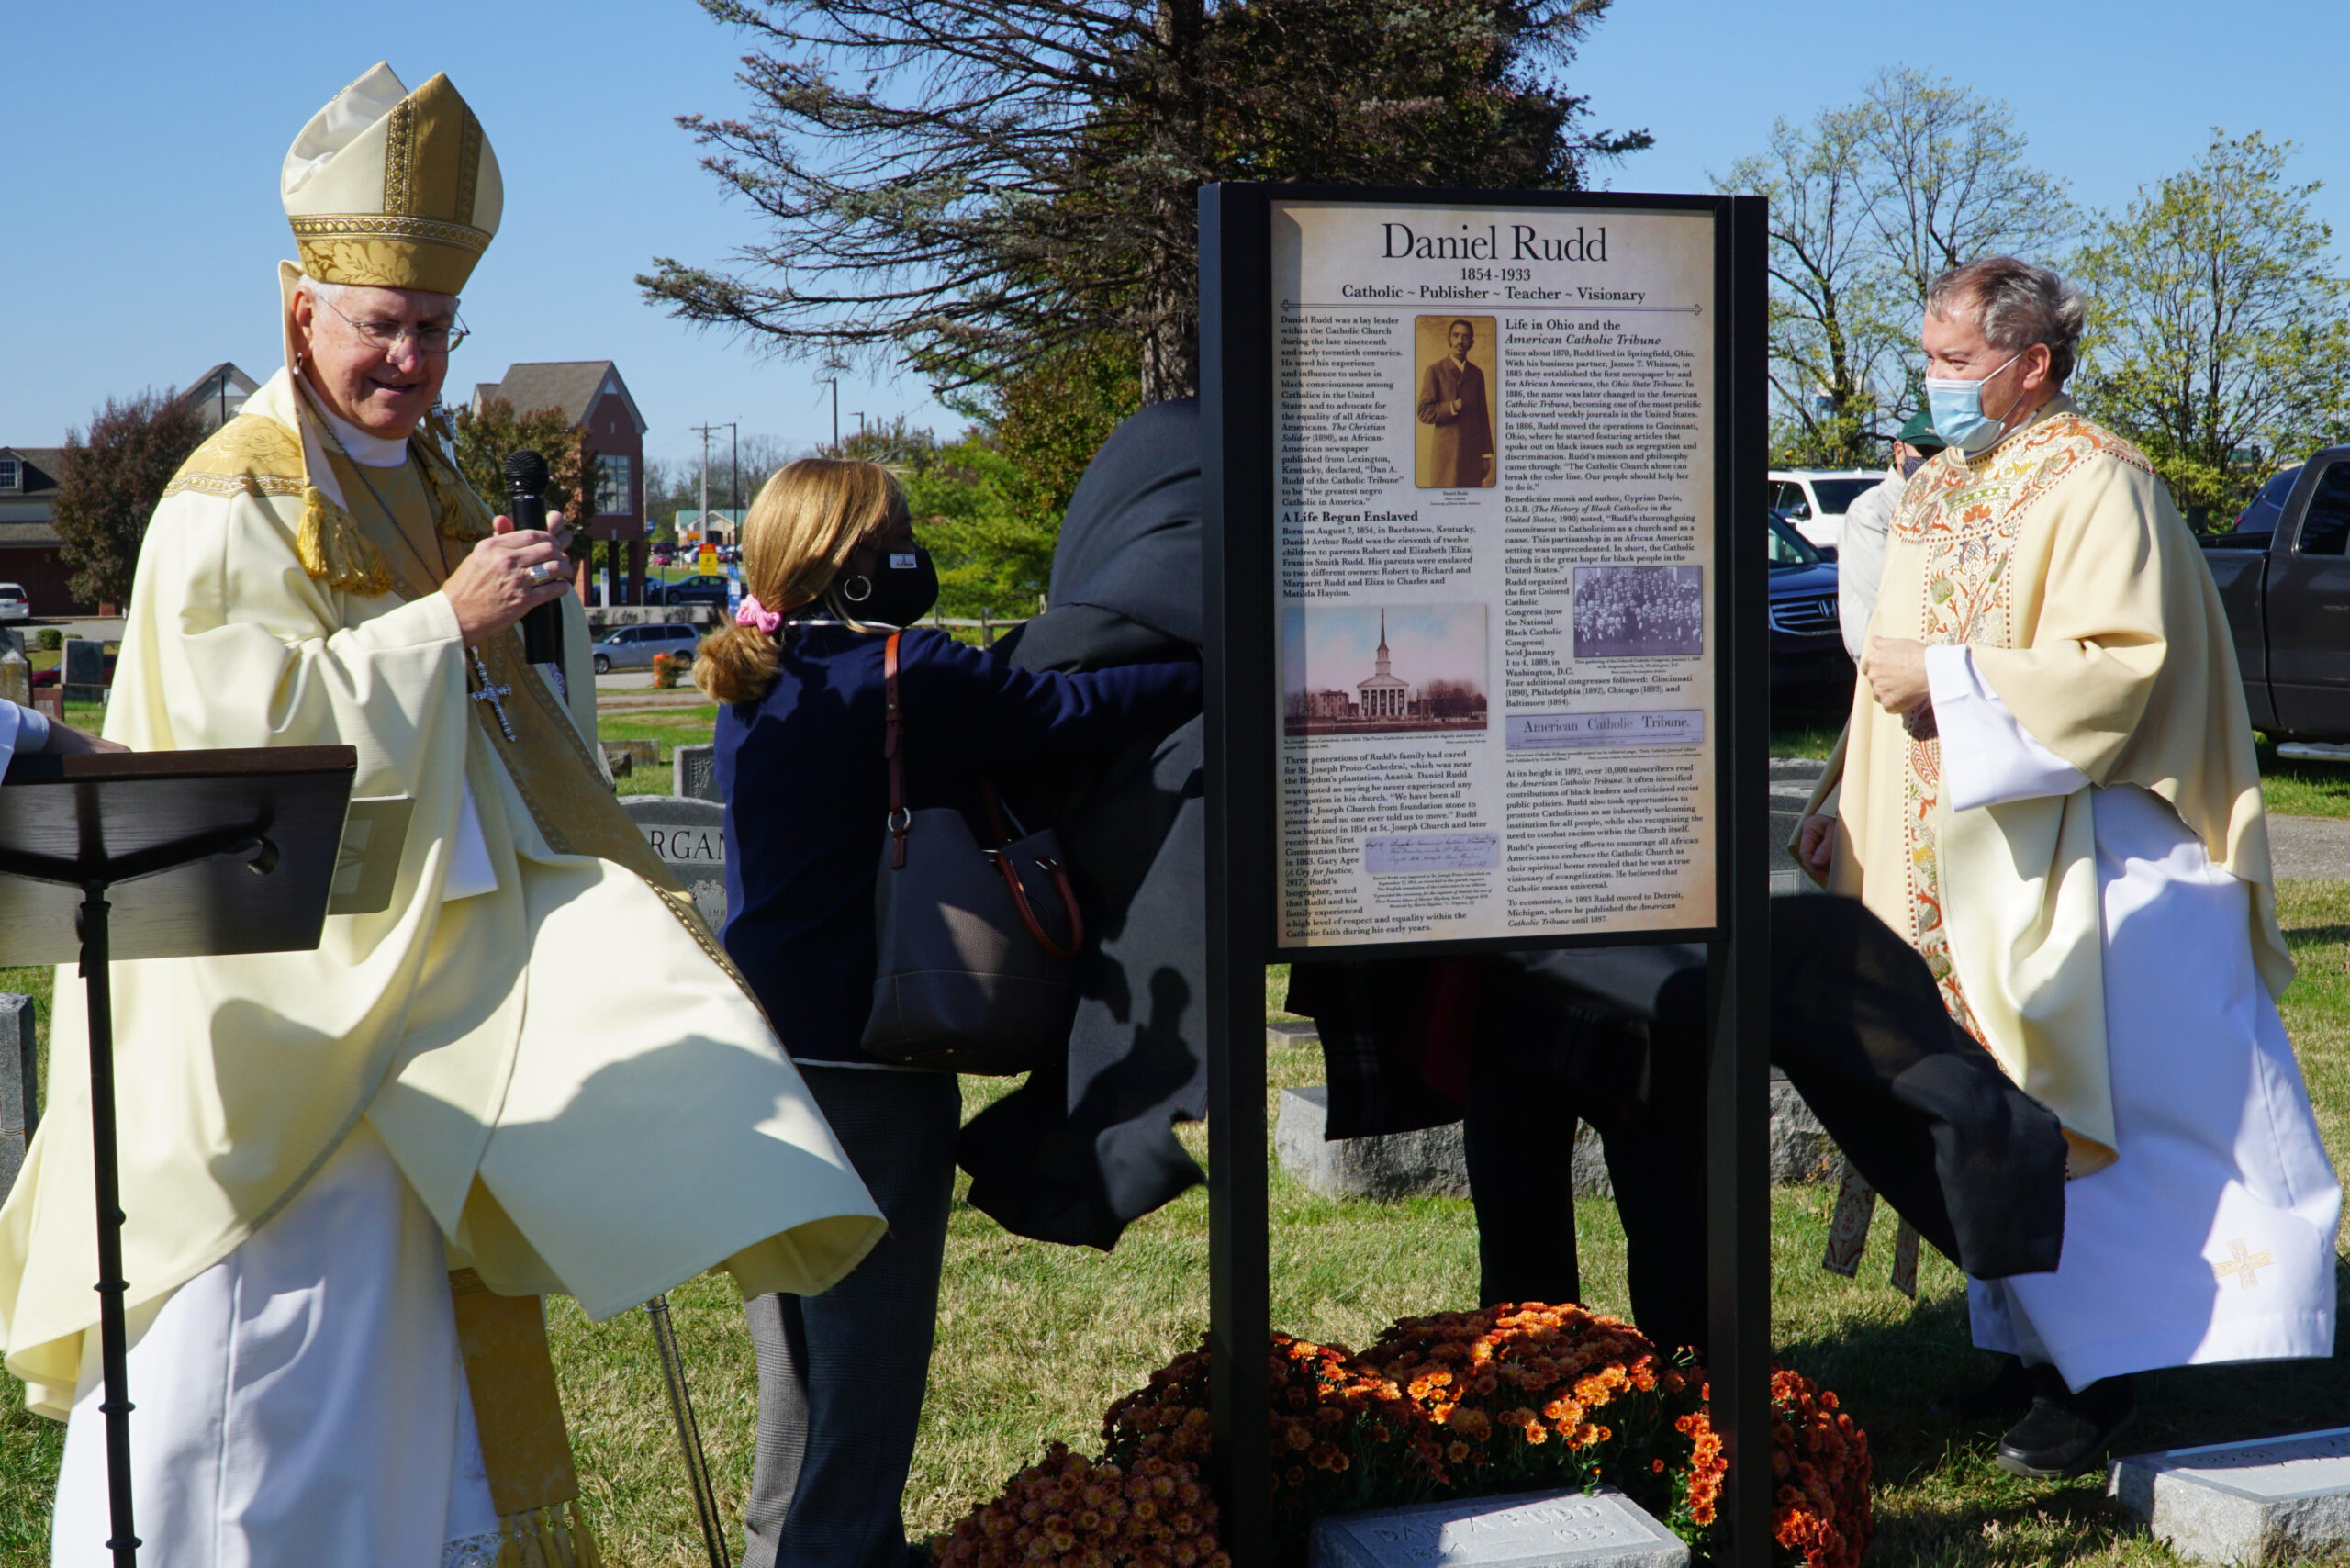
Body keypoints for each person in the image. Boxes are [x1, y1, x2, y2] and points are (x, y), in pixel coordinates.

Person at [0, 63, 884, 1565]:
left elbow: (506, 723)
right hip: (260, 1016)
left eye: (431, 328)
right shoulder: (235, 498)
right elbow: (225, 741)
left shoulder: (435, 490)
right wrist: (440, 627)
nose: (407, 357)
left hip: (418, 1006)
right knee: (252, 1373)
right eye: (379, 325)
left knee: (411, 1371)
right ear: (303, 314)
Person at [1796, 255, 2339, 1477]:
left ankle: (2110, 1373)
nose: (1928, 381)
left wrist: (1942, 683)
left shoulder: (2100, 483)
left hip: (2085, 856)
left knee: (2083, 1092)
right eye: (1927, 355)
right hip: (1954, 850)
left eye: (1952, 361)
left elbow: (2123, 669)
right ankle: (2027, 1340)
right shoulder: (1944, 482)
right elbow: (1889, 659)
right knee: (1979, 1096)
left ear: (2030, 363)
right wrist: (1844, 797)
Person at [699, 458, 1202, 1568]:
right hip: (872, 1069)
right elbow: (1073, 710)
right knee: (867, 1369)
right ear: (859, 563)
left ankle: (785, 1550)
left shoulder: (754, 675)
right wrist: (1215, 667)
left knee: (796, 1365)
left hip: (756, 1055)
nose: (918, 552)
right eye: (903, 536)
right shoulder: (902, 671)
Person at [1835, 409, 1946, 661]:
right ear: (1899, 452)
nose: (1934, 463)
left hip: (1929, 660)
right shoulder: (1870, 512)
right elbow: (1888, 596)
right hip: (1885, 662)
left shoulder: (1940, 506)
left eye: (1943, 454)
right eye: (1926, 453)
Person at [1416, 319, 1495, 487]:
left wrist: (1486, 455)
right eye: (1456, 336)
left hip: (1472, 455)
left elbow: (1483, 415)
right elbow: (1423, 412)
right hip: (1446, 457)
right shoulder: (1434, 371)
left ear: (1471, 343)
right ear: (1449, 339)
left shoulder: (1477, 374)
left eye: (1466, 337)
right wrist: (1452, 407)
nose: (1460, 341)